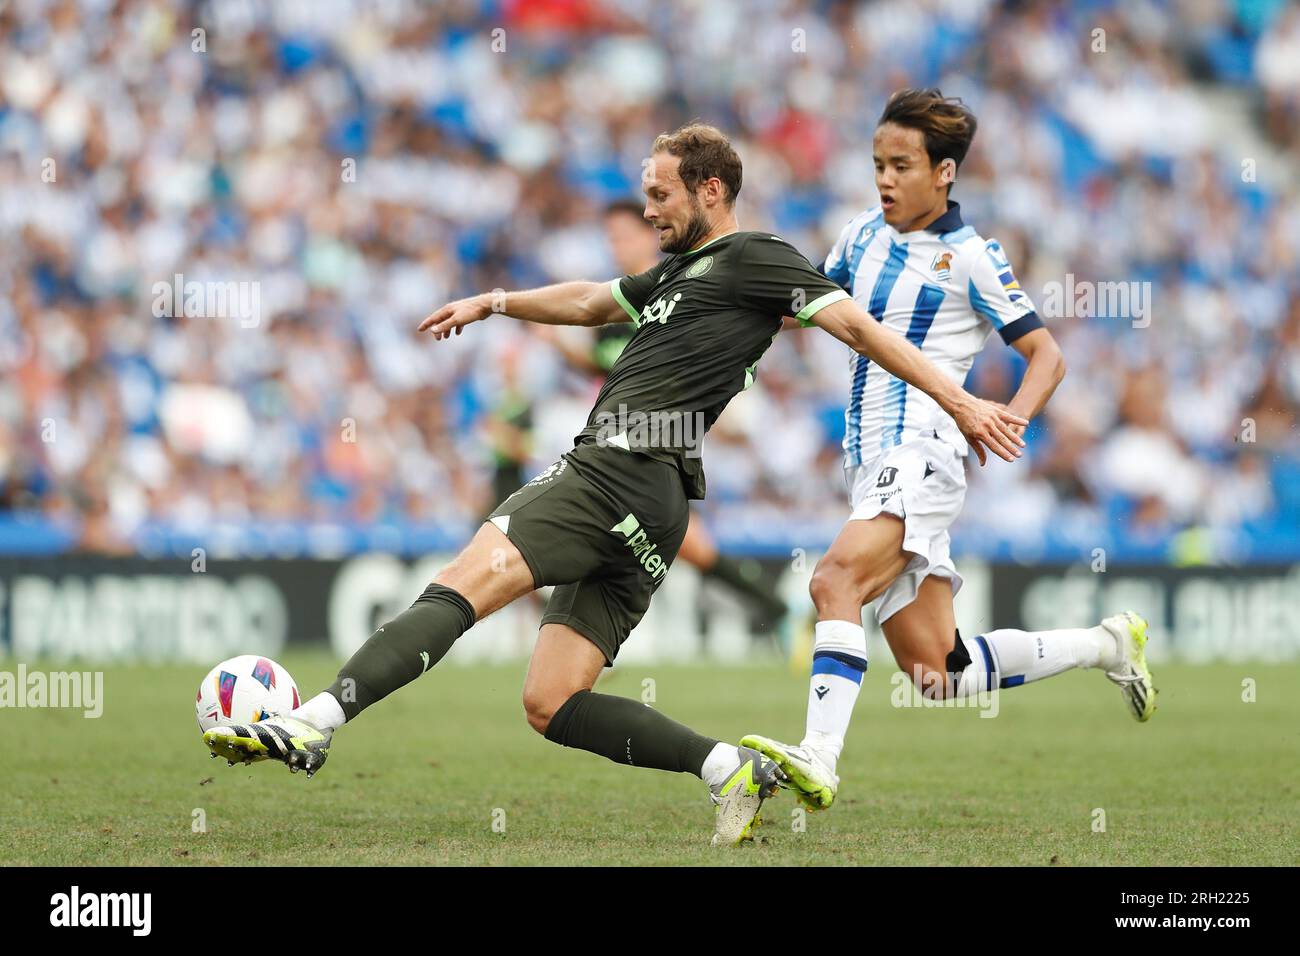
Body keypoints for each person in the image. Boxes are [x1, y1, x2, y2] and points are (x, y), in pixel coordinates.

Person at [203, 121, 1026, 845]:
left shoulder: (756, 257)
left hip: (613, 469)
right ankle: (727, 769)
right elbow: (593, 302)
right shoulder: (675, 276)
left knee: (460, 582)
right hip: (656, 506)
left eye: (660, 195)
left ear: (711, 189)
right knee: (551, 701)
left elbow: (858, 326)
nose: (650, 213)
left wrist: (959, 401)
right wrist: (494, 301)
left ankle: (314, 720)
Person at [740, 89, 1157, 812]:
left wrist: (1011, 421)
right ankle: (1106, 645)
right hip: (868, 466)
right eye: (877, 164)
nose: (885, 179)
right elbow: (801, 312)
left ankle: (819, 758)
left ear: (944, 173)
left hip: (925, 454)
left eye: (901, 165)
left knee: (832, 582)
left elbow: (1046, 354)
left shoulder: (970, 257)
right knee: (937, 672)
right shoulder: (859, 236)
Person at [542, 199, 790, 636]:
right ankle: (776, 610)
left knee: (670, 544)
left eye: (622, 236)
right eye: (610, 238)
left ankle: (778, 610)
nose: (614, 246)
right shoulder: (628, 299)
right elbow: (607, 362)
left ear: (647, 236)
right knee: (680, 546)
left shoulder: (674, 291)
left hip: (660, 441)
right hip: (628, 440)